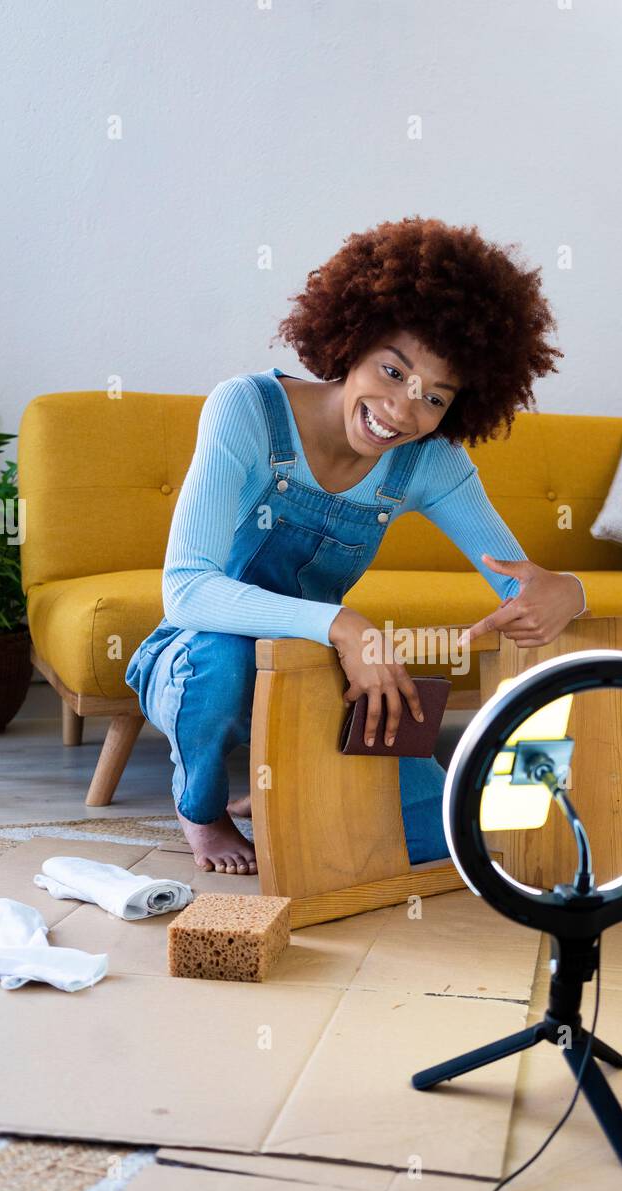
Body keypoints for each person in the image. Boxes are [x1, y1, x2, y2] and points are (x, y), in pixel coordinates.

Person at [125, 216, 587, 874]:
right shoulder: (246, 410)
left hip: (317, 669)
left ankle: (284, 775)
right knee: (221, 665)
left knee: (430, 840)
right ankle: (202, 809)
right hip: (195, 656)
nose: (402, 409)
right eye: (393, 371)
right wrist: (341, 623)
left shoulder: (431, 463)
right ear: (353, 339)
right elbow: (188, 590)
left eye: (433, 397)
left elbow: (521, 585)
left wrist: (569, 590)